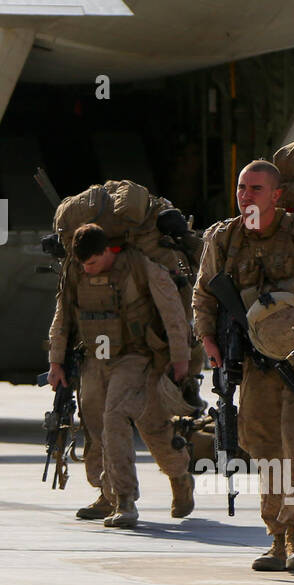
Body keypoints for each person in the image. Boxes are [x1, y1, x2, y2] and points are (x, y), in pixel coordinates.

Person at [193, 160, 294, 571]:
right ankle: (275, 538)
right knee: (264, 448)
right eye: (242, 187)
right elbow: (204, 294)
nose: (246, 195)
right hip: (256, 363)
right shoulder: (224, 239)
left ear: (277, 196)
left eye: (256, 188)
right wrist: (208, 339)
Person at [47, 221, 195, 529]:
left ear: (108, 251)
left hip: (136, 357)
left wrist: (181, 359)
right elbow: (63, 317)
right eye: (83, 263)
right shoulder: (75, 272)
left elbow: (173, 313)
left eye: (93, 262)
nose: (88, 269)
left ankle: (145, 492)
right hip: (94, 358)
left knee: (132, 422)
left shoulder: (139, 268)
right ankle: (108, 493)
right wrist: (56, 362)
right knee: (95, 421)